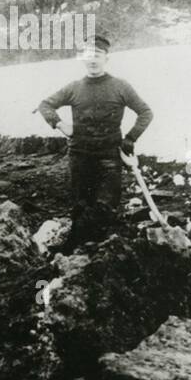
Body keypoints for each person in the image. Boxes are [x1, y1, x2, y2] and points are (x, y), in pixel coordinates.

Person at [37, 34, 153, 249]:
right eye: (88, 55)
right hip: (80, 156)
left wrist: (130, 138)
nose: (92, 60)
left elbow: (145, 113)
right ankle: (79, 252)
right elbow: (45, 105)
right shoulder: (74, 88)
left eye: (97, 55)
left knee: (105, 205)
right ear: (82, 59)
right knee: (81, 205)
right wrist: (61, 125)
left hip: (109, 156)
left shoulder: (120, 86)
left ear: (106, 58)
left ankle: (97, 250)